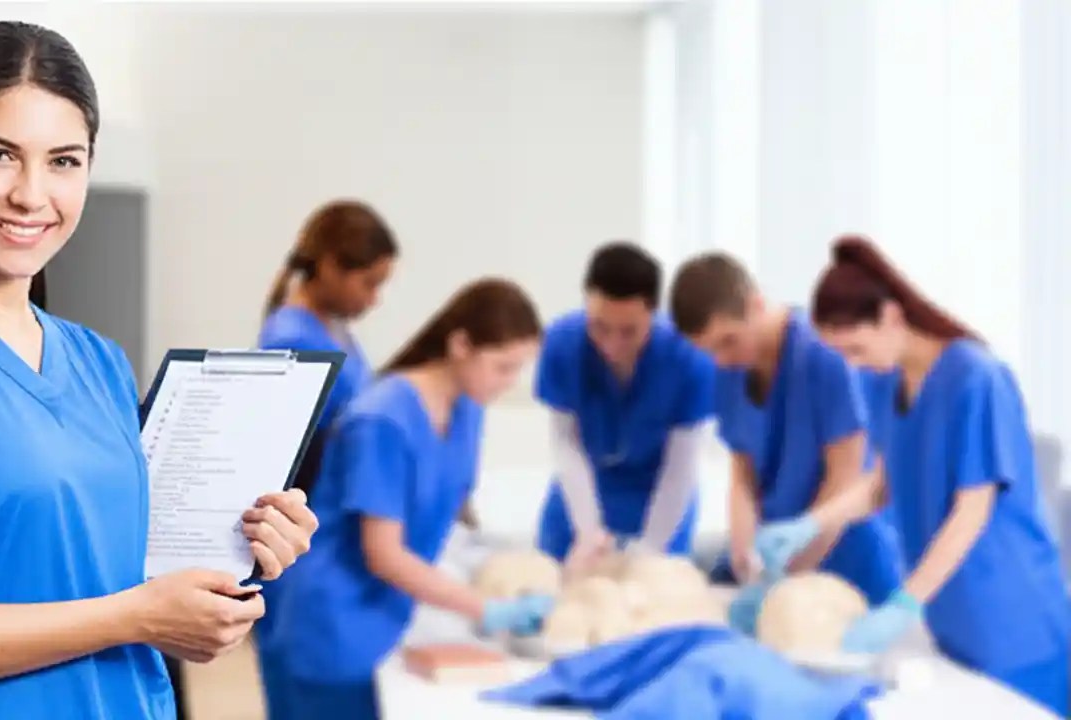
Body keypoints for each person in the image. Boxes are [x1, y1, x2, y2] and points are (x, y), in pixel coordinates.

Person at [0, 22, 317, 720]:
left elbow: (113, 571)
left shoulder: (99, 362)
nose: (31, 195)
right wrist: (135, 617)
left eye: (64, 161)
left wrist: (243, 549)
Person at [755, 236, 1070, 715]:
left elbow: (972, 511)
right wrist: (810, 525)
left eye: (857, 348)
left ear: (892, 315)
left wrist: (904, 604)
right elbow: (881, 485)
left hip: (1014, 620)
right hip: (952, 618)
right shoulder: (885, 380)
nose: (853, 366)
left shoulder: (976, 378)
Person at [269, 278, 552, 720]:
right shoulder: (382, 419)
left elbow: (449, 510)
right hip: (331, 625)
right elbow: (384, 553)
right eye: (503, 367)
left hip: (384, 621)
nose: (509, 383)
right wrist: (487, 609)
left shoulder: (468, 409)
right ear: (460, 345)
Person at [667, 252, 903, 613]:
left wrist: (788, 579)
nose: (720, 359)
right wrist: (745, 555)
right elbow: (743, 474)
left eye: (727, 341)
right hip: (780, 559)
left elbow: (844, 476)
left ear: (755, 305)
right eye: (708, 350)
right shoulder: (729, 370)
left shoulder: (822, 354)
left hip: (848, 561)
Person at [254, 199, 397, 720]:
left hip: (334, 553)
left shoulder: (333, 331)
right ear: (333, 267)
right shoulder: (293, 341)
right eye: (369, 283)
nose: (375, 299)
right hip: (310, 561)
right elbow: (289, 465)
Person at [534, 242, 715, 573]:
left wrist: (651, 548)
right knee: (554, 588)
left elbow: (681, 467)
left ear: (654, 312)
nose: (611, 344)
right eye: (599, 327)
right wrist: (587, 531)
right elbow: (566, 442)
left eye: (629, 331)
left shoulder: (689, 359)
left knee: (656, 593)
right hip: (583, 486)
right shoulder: (562, 343)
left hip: (660, 490)